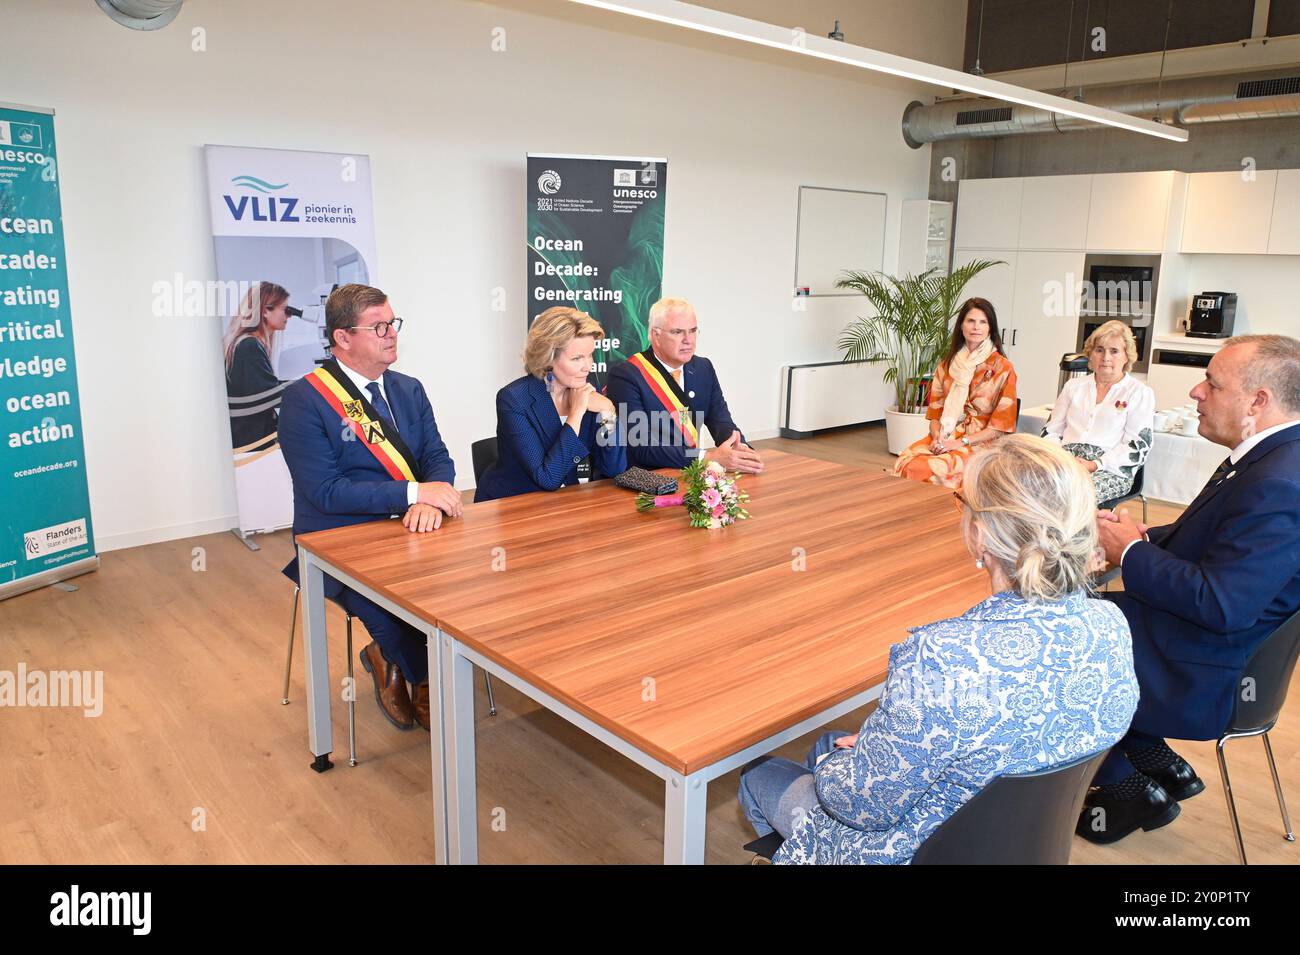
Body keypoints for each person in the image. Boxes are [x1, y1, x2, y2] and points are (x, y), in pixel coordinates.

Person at [738, 435, 1138, 863]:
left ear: (982, 533)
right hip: (1019, 845)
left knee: (763, 773)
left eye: (961, 500)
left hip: (913, 849)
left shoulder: (941, 655)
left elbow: (861, 806)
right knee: (833, 744)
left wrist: (844, 761)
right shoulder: (1111, 624)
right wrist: (872, 747)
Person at [1081, 334, 1300, 844]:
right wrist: (1136, 538)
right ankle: (1153, 757)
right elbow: (1214, 547)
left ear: (1258, 401)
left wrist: (1130, 554)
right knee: (1085, 609)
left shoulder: (1278, 483)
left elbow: (1221, 603)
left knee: (1055, 634)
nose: (1197, 392)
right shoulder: (1271, 459)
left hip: (1205, 665)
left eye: (1213, 383)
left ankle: (1120, 786)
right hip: (1215, 645)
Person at [278, 284, 460, 733]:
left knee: (458, 595)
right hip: (338, 537)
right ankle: (416, 673)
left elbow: (437, 456)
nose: (391, 334)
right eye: (378, 327)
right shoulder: (305, 400)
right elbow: (326, 491)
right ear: (343, 338)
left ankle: (400, 661)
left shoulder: (409, 389)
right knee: (393, 614)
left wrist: (430, 501)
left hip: (414, 526)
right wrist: (414, 495)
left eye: (392, 324)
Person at [474, 306, 627, 502]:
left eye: (590, 355)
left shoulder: (587, 388)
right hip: (514, 504)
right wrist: (576, 413)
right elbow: (548, 478)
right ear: (547, 358)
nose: (588, 366)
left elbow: (615, 469)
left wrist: (609, 412)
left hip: (565, 502)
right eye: (577, 358)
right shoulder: (514, 399)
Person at [606, 297, 762, 474]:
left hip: (693, 475)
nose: (688, 340)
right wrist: (707, 458)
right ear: (655, 335)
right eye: (677, 332)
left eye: (693, 331)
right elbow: (641, 447)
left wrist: (741, 450)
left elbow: (721, 421)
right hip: (649, 479)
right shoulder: (627, 375)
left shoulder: (703, 368)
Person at [894, 297, 1018, 488]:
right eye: (970, 321)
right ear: (961, 326)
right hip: (947, 433)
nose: (976, 327)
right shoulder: (947, 365)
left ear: (990, 329)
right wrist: (938, 438)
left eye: (982, 322)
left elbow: (1000, 428)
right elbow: (935, 416)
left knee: (933, 468)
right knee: (907, 460)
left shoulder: (1002, 368)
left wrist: (961, 442)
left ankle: (943, 512)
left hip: (983, 441)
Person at [1043, 319, 1155, 503]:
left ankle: (1064, 532)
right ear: (1090, 353)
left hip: (1109, 469)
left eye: (1114, 351)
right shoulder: (1073, 386)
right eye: (1099, 350)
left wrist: (1095, 464)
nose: (1106, 358)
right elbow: (1051, 430)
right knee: (1026, 487)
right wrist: (1062, 458)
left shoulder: (1139, 393)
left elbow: (1138, 444)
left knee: (1072, 496)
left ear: (1127, 356)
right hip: (1065, 461)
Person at [223, 281, 292, 452]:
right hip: (250, 442)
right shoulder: (248, 346)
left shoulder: (245, 343)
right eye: (285, 310)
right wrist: (311, 385)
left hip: (246, 438)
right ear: (266, 311)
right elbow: (266, 396)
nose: (289, 316)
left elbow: (262, 389)